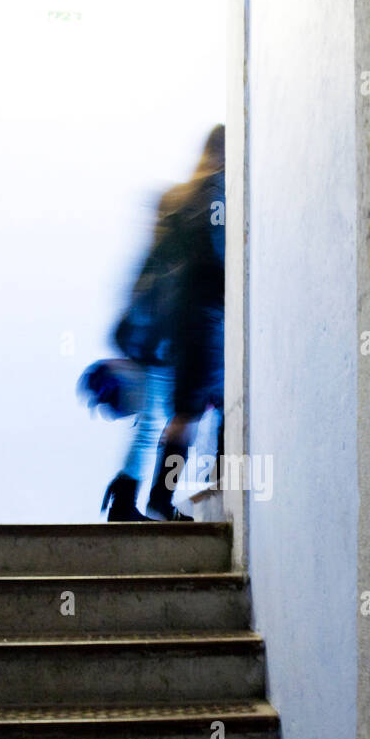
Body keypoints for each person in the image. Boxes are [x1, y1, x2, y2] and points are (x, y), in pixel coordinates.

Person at [100, 125, 225, 521]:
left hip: (156, 326)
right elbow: (213, 260)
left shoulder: (174, 197)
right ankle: (156, 500)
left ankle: (128, 497)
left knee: (159, 416)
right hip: (189, 320)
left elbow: (151, 263)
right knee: (186, 414)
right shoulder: (214, 192)